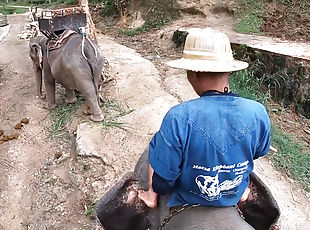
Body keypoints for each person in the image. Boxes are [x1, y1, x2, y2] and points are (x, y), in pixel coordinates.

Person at [138, 27, 271, 209]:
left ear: (194, 72)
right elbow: (259, 151)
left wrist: (158, 187)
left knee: (157, 144)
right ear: (228, 70)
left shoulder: (178, 116)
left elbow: (164, 182)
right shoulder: (257, 112)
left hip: (188, 194)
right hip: (233, 191)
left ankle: (149, 197)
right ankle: (242, 192)